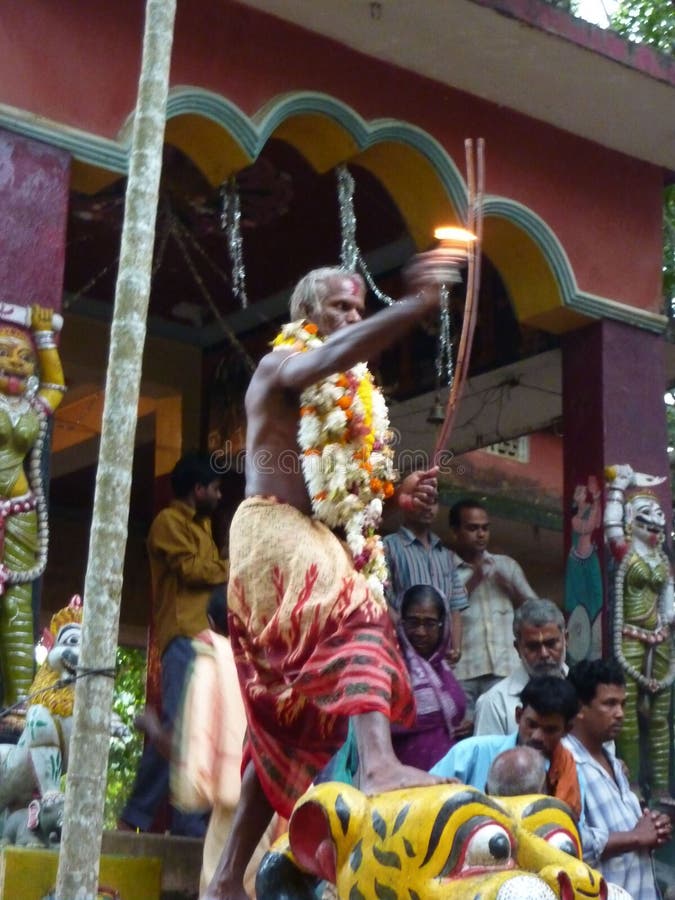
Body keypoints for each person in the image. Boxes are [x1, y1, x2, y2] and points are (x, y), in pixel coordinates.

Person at [205, 255, 458, 900]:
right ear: (306, 316)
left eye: (358, 309)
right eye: (341, 307)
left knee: (288, 716)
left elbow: (340, 499)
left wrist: (395, 495)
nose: (351, 317)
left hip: (312, 533)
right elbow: (324, 361)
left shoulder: (348, 401)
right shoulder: (280, 366)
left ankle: (225, 879)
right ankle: (377, 765)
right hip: (268, 529)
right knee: (362, 613)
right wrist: (410, 309)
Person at [120, 451, 229, 836]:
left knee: (187, 726)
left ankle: (147, 816)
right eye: (214, 489)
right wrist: (230, 568)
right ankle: (179, 820)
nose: (218, 495)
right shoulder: (168, 522)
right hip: (183, 635)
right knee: (184, 726)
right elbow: (193, 570)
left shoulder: (202, 526)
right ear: (197, 489)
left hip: (206, 638)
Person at [0, 306, 66, 708]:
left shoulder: (30, 408)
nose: (15, 363)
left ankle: (19, 701)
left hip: (20, 514)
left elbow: (56, 386)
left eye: (24, 358)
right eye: (6, 353)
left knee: (17, 610)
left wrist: (43, 335)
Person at [564, 659, 671, 899]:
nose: (620, 714)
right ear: (579, 708)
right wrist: (636, 837)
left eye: (623, 704)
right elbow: (566, 842)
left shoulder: (610, 758)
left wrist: (653, 830)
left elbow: (634, 834)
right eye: (609, 704)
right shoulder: (565, 764)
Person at [430, 675, 582, 817]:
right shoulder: (470, 753)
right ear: (518, 715)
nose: (537, 737)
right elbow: (425, 799)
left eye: (550, 730)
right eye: (531, 725)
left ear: (566, 730)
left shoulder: (568, 772)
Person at [448, 498, 538, 721]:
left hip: (506, 673)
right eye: (472, 528)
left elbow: (538, 614)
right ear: (455, 532)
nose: (481, 534)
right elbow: (440, 615)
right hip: (463, 675)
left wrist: (512, 589)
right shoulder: (444, 569)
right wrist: (474, 580)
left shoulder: (506, 566)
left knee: (506, 741)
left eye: (485, 528)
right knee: (467, 744)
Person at [391, 585, 468, 769]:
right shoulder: (391, 668)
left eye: (430, 624)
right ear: (401, 623)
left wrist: (467, 728)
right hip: (404, 783)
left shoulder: (443, 669)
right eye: (413, 622)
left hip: (448, 779)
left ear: (443, 625)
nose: (421, 632)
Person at [383, 498, 467, 663]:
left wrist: (455, 647)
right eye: (422, 500)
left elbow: (455, 606)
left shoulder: (445, 554)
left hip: (438, 659)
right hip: (400, 654)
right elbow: (379, 597)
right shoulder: (388, 546)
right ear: (406, 503)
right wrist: (404, 633)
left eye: (434, 501)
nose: (428, 506)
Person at [474, 597, 568, 735]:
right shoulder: (495, 703)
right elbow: (488, 756)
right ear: (518, 648)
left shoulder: (585, 691)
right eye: (533, 646)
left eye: (551, 644)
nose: (544, 654)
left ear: (566, 639)